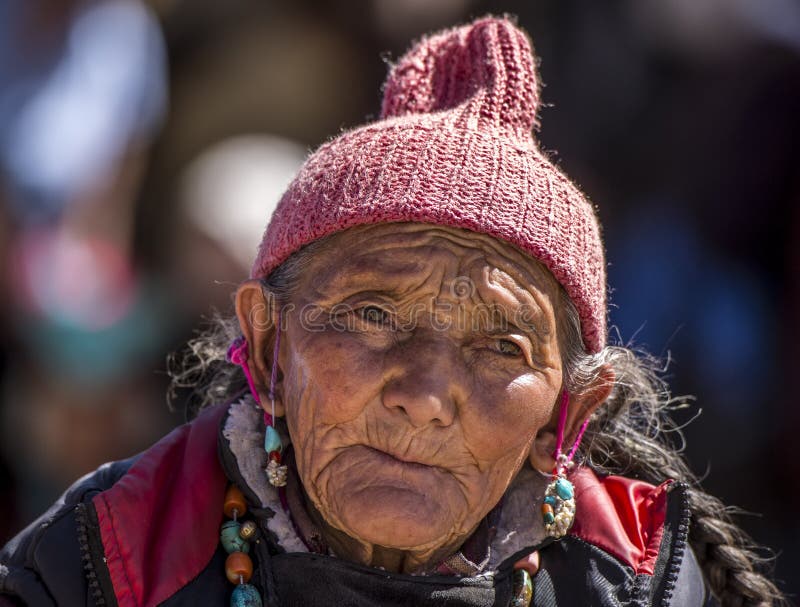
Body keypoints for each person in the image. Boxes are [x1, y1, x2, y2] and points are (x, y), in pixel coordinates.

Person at [0, 16, 784, 607]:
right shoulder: (98, 561)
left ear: (567, 417)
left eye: (500, 347)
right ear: (270, 349)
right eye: (371, 314)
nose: (424, 390)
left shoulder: (643, 585)